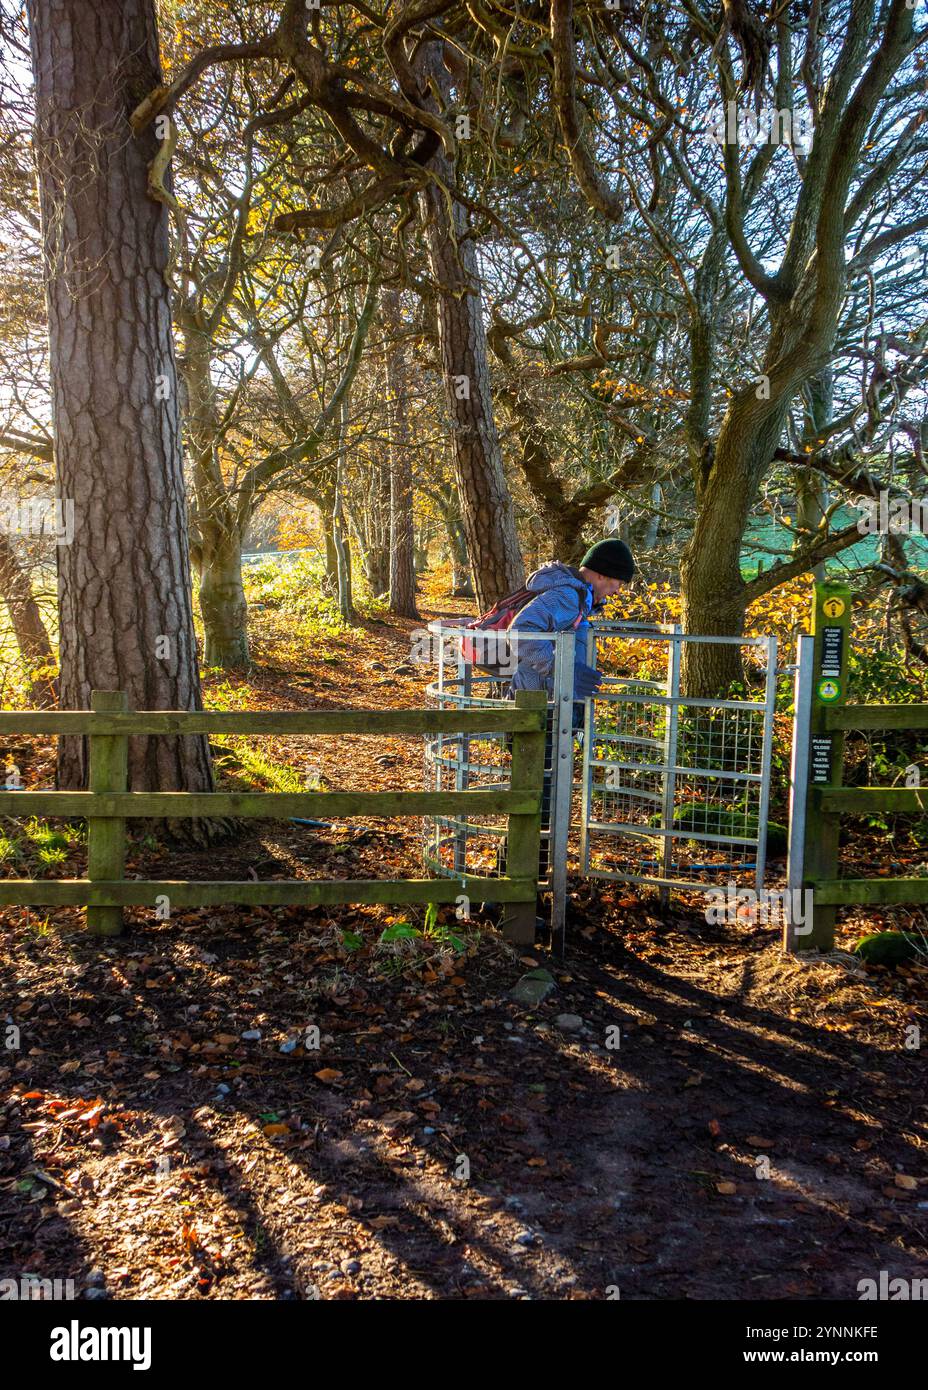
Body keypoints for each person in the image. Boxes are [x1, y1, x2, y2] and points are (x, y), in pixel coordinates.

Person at [501, 537, 636, 891]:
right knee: (536, 803)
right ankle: (517, 893)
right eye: (618, 582)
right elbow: (521, 632)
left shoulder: (576, 598)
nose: (618, 590)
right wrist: (564, 670)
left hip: (546, 711)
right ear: (601, 575)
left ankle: (518, 889)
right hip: (537, 712)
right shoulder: (566, 596)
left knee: (538, 802)